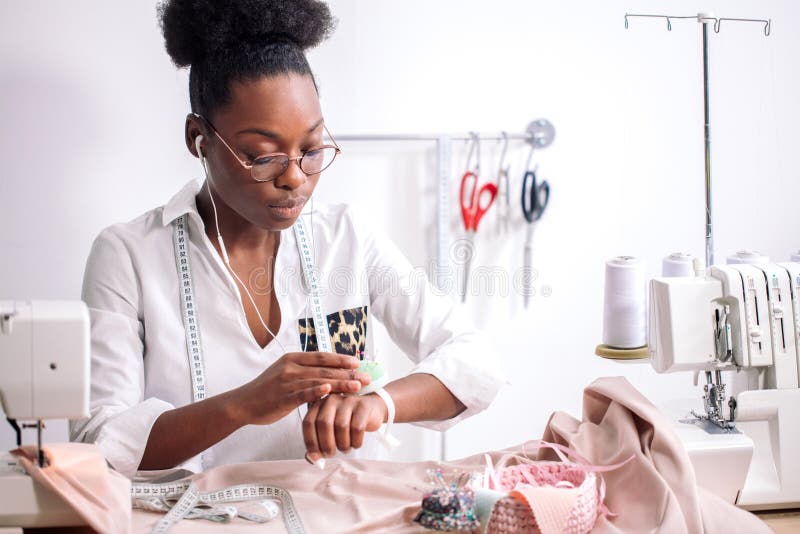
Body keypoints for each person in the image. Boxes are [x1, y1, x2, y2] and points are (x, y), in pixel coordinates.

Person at [70, 0, 504, 478]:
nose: (295, 177)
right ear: (198, 139)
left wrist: (380, 404)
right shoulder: (129, 256)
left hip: (340, 517)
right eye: (262, 156)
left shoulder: (347, 238)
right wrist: (243, 404)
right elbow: (99, 440)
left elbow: (476, 359)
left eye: (312, 149)